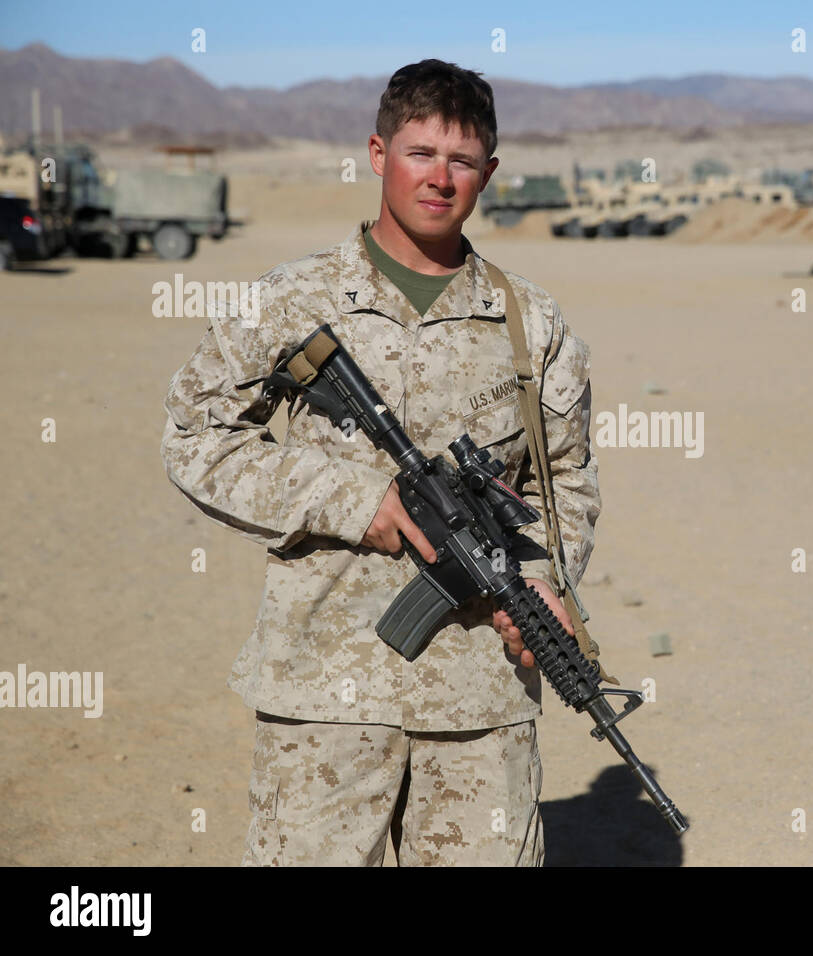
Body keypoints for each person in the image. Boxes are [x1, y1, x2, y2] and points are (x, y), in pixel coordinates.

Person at [160, 59, 600, 866]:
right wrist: (352, 499)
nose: (439, 178)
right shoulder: (294, 300)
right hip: (322, 689)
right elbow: (195, 432)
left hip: (481, 699)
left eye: (462, 160)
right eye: (419, 153)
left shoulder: (531, 324)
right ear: (377, 153)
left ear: (489, 174)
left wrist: (545, 584)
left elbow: (565, 480)